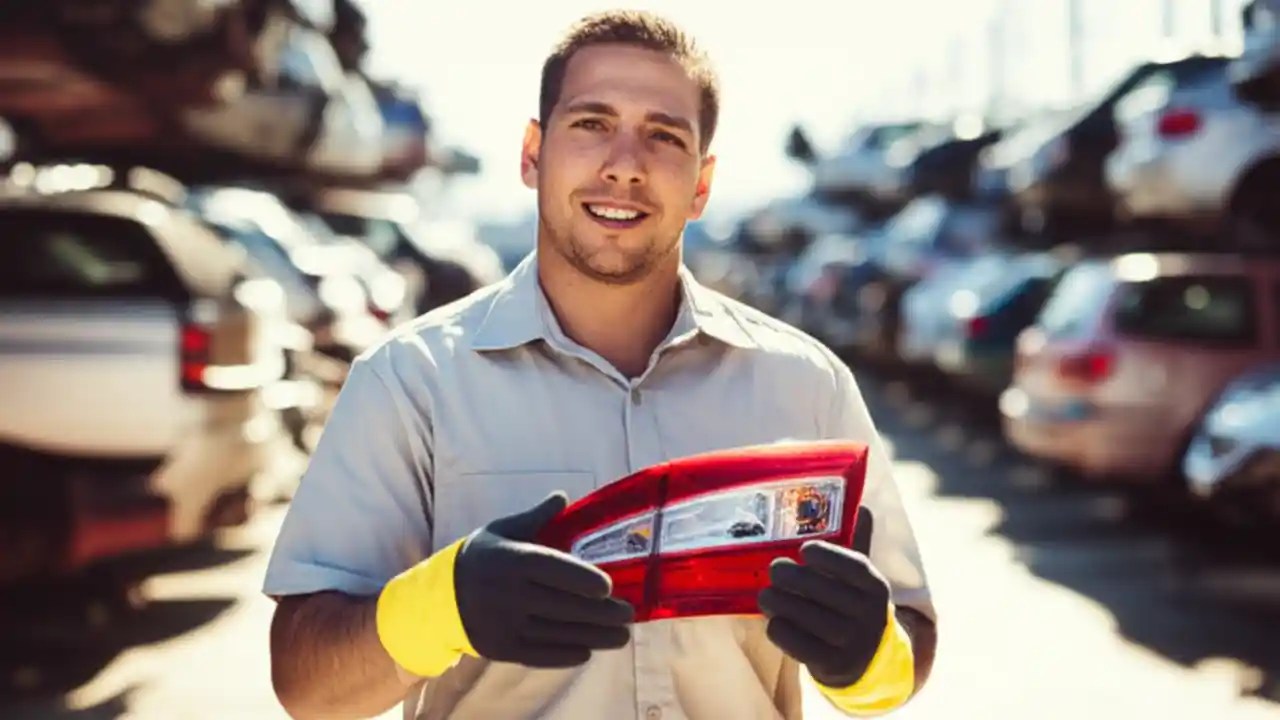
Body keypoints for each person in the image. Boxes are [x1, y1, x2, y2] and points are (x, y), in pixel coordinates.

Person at [264, 10, 937, 720]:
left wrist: (868, 659)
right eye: (591, 124)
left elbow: (910, 635)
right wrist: (444, 606)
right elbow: (306, 685)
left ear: (702, 183)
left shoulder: (808, 386)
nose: (625, 163)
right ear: (532, 153)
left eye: (664, 136)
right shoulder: (409, 384)